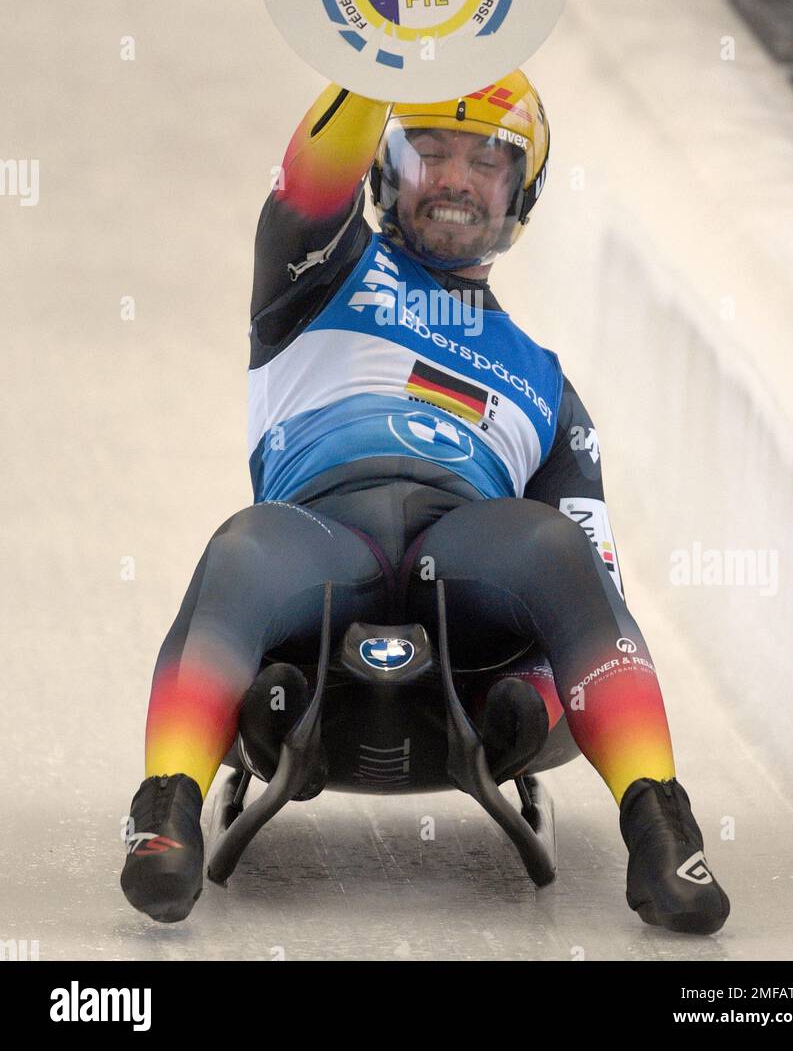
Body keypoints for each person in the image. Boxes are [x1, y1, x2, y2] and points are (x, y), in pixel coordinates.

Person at [120, 70, 730, 933]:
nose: (453, 180)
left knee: (552, 546)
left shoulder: (547, 385)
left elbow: (597, 593)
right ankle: (164, 813)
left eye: (485, 162)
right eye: (427, 153)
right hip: (317, 534)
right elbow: (306, 184)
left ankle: (663, 826)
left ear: (520, 193)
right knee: (242, 549)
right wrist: (377, 59)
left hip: (473, 554)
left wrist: (532, 705)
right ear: (382, 171)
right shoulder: (318, 271)